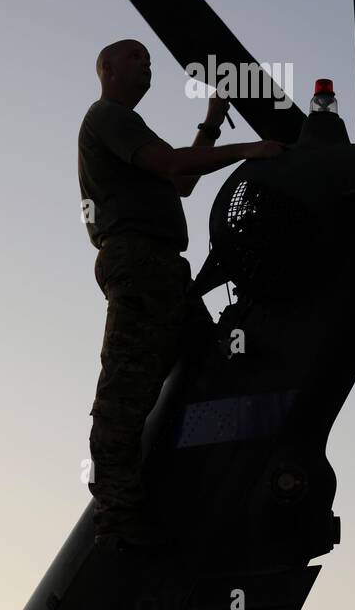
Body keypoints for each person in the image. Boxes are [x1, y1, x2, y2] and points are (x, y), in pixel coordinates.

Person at [78, 39, 284, 545]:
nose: (147, 64)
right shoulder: (107, 116)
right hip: (142, 265)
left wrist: (213, 120)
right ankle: (118, 517)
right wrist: (246, 149)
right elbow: (172, 165)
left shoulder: (126, 127)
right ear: (106, 68)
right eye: (135, 57)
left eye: (150, 58)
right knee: (125, 395)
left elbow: (181, 182)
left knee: (214, 367)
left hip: (165, 271)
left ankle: (196, 483)